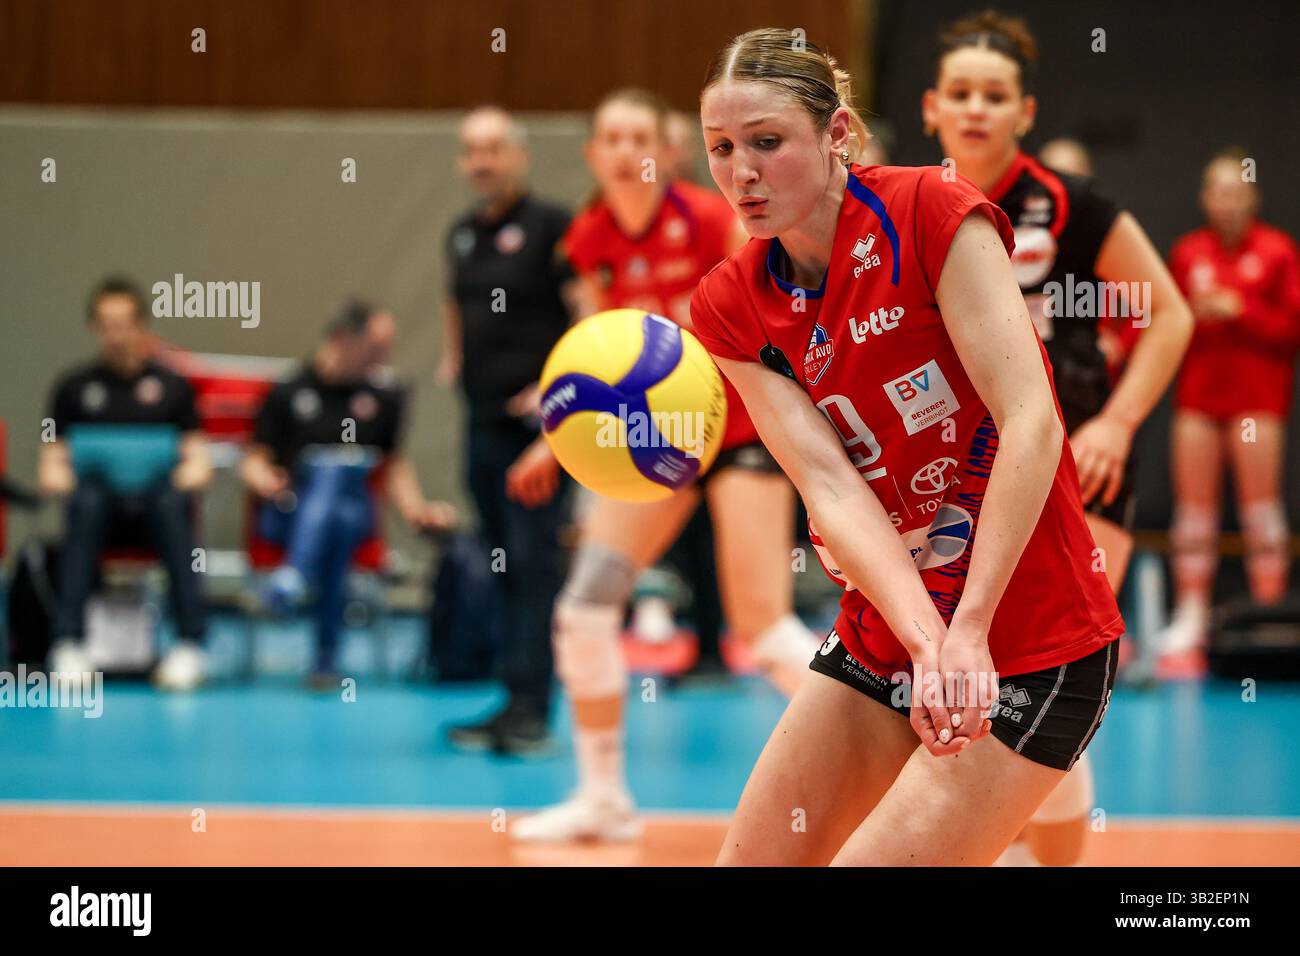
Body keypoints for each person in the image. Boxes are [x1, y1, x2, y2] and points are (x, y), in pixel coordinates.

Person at [691, 27, 1126, 866]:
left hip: (1036, 639)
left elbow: (1030, 417)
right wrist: (928, 641)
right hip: (888, 628)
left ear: (837, 135)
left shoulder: (929, 210)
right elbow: (831, 488)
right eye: (721, 148)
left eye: (767, 142)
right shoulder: (728, 305)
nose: (740, 172)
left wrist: (967, 635)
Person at [508, 87, 821, 843]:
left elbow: (772, 318)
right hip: (659, 446)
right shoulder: (587, 239)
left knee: (764, 627)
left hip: (742, 429)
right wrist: (555, 436)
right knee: (582, 611)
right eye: (610, 138)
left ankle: (895, 754)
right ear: (593, 155)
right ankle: (604, 798)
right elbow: (595, 352)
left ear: (667, 148)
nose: (625, 151)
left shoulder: (712, 220)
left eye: (638, 136)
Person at [920, 11, 1193, 865]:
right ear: (931, 106)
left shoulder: (1072, 207)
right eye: (959, 94)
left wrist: (1116, 420)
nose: (975, 109)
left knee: (1054, 677)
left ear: (1023, 112)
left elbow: (1169, 313)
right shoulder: (903, 205)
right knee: (978, 672)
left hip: (1076, 460)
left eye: (993, 96)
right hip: (961, 470)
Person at [439, 106, 582, 754]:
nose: (482, 161)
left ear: (519, 155)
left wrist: (561, 389)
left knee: (532, 568)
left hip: (540, 437)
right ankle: (509, 698)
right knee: (497, 566)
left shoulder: (554, 228)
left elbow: (590, 320)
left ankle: (533, 709)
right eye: (472, 151)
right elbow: (455, 302)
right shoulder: (462, 234)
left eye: (494, 148)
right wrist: (454, 360)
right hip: (481, 429)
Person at [241, 300, 452, 688]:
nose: (383, 359)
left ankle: (295, 577)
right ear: (342, 339)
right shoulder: (289, 390)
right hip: (289, 511)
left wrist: (415, 510)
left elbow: (395, 463)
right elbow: (254, 460)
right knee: (333, 504)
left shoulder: (386, 396)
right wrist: (265, 480)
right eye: (374, 350)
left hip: (357, 513)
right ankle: (325, 659)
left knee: (338, 483)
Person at [1160, 148, 1300, 672]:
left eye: (1237, 192)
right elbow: (1164, 327)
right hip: (1198, 400)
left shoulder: (1278, 250)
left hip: (1257, 403)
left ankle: (1267, 612)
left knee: (1261, 513)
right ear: (1205, 199)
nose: (1228, 203)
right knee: (1193, 515)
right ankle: (1192, 613)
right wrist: (1190, 317)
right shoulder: (1187, 252)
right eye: (1219, 192)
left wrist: (1241, 310)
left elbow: (1291, 330)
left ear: (1252, 198)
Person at [40, 275, 212, 691]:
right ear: (94, 327)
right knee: (86, 502)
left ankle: (190, 643)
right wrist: (57, 475)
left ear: (141, 325)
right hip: (98, 511)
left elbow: (198, 457)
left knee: (171, 504)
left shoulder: (173, 388)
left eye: (124, 323)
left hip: (155, 509)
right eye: (106, 323)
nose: (116, 334)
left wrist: (188, 474)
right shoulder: (73, 388)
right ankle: (69, 643)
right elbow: (51, 453)